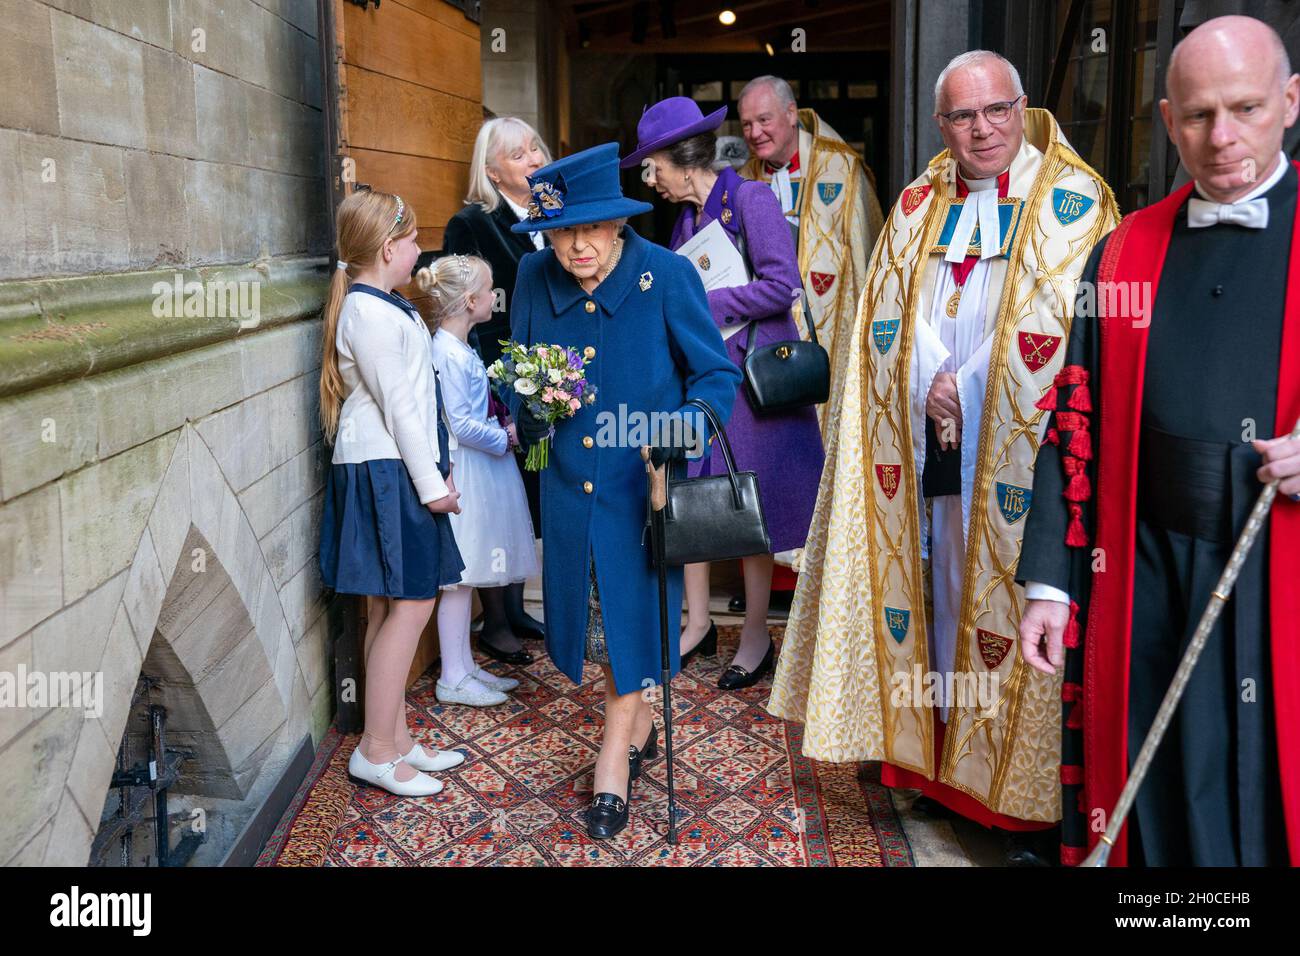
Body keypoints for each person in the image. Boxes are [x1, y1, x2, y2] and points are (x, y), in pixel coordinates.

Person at [768, 50, 1119, 861]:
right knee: (934, 590)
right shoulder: (921, 201)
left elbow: (1078, 333)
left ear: (1021, 106)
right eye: (963, 117)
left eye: (996, 110)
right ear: (941, 124)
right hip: (928, 449)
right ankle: (926, 764)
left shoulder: (1074, 201)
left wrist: (975, 381)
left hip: (1018, 456)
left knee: (1010, 603)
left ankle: (1013, 801)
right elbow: (880, 317)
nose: (982, 130)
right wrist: (929, 381)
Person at [1018, 15, 1300, 866]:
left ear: (1290, 103)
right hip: (1138, 565)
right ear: (1167, 120)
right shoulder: (1122, 253)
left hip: (1274, 563)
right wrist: (1051, 584)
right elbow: (1072, 425)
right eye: (1199, 115)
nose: (1222, 139)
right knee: (1158, 789)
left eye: (1246, 109)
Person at [507, 143, 742, 839]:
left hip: (642, 491)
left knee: (628, 624)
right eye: (562, 231)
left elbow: (715, 379)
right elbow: (515, 372)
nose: (577, 245)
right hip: (565, 490)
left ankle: (613, 759)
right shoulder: (528, 276)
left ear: (617, 224)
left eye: (592, 228)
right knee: (594, 628)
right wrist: (531, 406)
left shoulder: (666, 276)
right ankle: (638, 722)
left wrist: (677, 431)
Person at [621, 96, 825, 688]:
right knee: (696, 493)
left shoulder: (752, 200)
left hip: (756, 380)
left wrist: (700, 306)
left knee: (749, 503)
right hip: (707, 380)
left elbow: (781, 286)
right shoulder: (685, 221)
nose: (649, 179)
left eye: (651, 165)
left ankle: (757, 632)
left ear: (681, 159)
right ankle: (697, 624)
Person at [318, 188, 469, 797]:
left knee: (392, 605)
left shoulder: (384, 303)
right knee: (409, 603)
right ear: (388, 248)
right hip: (387, 470)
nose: (418, 250)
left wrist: (439, 467)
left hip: (397, 466)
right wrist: (434, 487)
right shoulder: (370, 313)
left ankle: (396, 737)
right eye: (411, 241)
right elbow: (401, 410)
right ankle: (376, 750)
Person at [443, 116, 553, 663]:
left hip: (549, 376)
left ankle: (514, 609)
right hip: (497, 377)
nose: (534, 159)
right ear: (492, 170)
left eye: (536, 149)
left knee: (525, 497)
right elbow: (467, 306)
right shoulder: (473, 223)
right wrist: (492, 385)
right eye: (518, 154)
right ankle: (494, 622)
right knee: (496, 490)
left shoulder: (553, 215)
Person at [420, 252, 539, 707]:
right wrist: (506, 436)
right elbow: (462, 424)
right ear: (471, 301)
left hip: (480, 467)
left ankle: (465, 666)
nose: (496, 297)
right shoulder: (448, 353)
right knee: (460, 575)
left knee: (466, 576)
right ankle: (452, 675)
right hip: (467, 471)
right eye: (490, 291)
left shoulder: (461, 347)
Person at [738, 75, 885, 439]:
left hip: (830, 331)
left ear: (791, 114)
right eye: (746, 124)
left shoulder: (843, 170)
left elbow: (867, 260)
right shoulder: (743, 178)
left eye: (764, 120)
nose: (755, 132)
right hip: (767, 335)